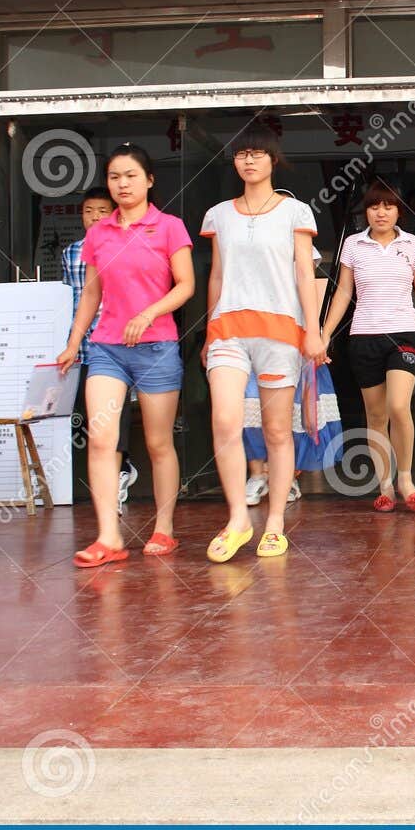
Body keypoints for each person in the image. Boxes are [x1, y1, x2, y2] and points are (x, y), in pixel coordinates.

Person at [57, 144, 194, 567]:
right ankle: (109, 536)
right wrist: (73, 342)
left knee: (157, 442)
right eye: (115, 177)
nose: (122, 184)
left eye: (131, 176)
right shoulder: (98, 233)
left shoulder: (169, 227)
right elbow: (91, 294)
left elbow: (185, 285)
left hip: (157, 347)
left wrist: (149, 313)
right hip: (106, 348)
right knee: (101, 439)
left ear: (149, 180)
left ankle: (164, 529)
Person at [202, 128, 324, 562]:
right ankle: (238, 518)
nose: (249, 161)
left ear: (274, 160)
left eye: (257, 154)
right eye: (241, 154)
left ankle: (274, 524)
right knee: (225, 421)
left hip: (280, 331)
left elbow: (305, 274)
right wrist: (208, 327)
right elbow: (217, 274)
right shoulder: (219, 215)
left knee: (276, 430)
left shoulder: (295, 212)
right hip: (228, 330)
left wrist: (314, 330)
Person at [322, 184, 415, 512]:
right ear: (365, 212)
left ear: (399, 212)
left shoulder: (411, 243)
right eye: (374, 207)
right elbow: (343, 292)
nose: (381, 213)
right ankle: (384, 484)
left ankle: (405, 479)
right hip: (363, 337)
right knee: (376, 415)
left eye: (388, 206)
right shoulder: (353, 244)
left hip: (405, 334)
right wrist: (324, 334)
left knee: (398, 406)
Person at [61, 188, 137, 511]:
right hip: (83, 346)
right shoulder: (70, 253)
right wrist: (70, 342)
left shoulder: (126, 247)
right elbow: (71, 298)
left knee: (117, 413)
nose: (94, 217)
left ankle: (119, 473)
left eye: (102, 211)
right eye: (88, 211)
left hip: (117, 344)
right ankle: (114, 474)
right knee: (90, 417)